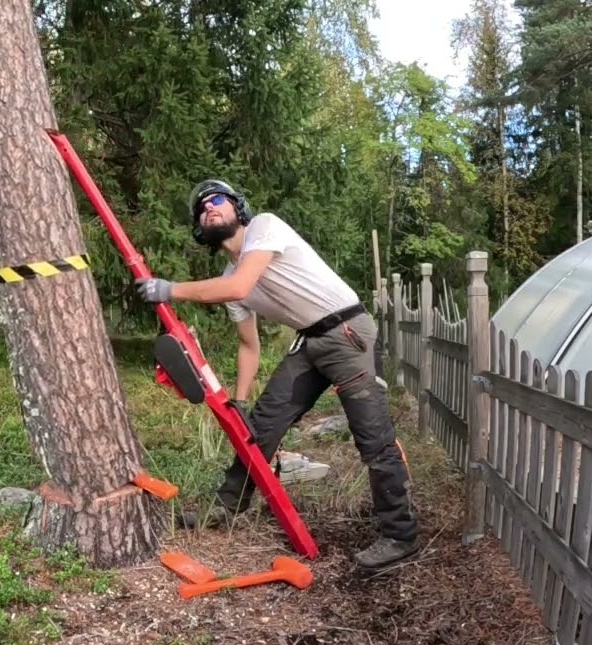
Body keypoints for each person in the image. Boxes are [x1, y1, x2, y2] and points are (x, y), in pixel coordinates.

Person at [134, 179, 420, 570]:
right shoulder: (227, 277)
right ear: (201, 227)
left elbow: (239, 286)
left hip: (347, 333)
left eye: (217, 200)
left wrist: (170, 290)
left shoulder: (265, 228)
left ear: (238, 207)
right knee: (261, 426)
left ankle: (399, 535)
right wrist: (242, 398)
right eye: (202, 208)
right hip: (309, 342)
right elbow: (248, 345)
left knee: (372, 436)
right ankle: (226, 507)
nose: (209, 208)